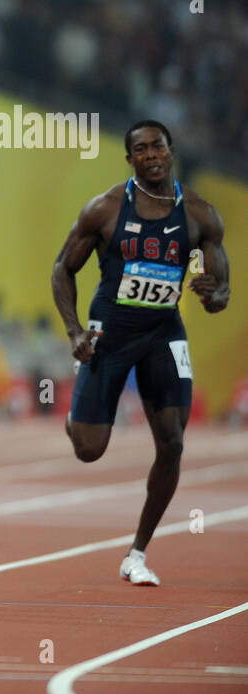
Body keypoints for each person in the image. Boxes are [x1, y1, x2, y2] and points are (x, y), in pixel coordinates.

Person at [51, 120, 229, 585]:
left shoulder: (200, 215)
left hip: (164, 333)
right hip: (108, 332)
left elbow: (220, 295)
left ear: (171, 152)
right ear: (129, 159)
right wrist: (73, 331)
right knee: (89, 450)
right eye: (141, 149)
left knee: (171, 441)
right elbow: (61, 269)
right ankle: (77, 417)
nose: (151, 155)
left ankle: (137, 552)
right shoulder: (105, 209)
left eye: (158, 146)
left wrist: (213, 294)